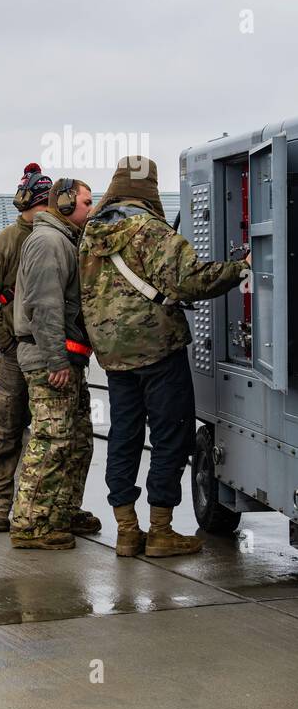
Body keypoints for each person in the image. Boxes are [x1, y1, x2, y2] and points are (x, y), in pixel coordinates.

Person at [79, 156, 250, 557]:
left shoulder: (91, 233)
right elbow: (190, 281)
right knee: (171, 437)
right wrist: (239, 269)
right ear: (149, 187)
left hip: (114, 357)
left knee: (123, 438)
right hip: (158, 351)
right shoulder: (150, 230)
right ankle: (161, 531)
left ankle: (126, 531)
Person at [11, 177, 99, 550]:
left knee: (76, 440)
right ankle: (31, 523)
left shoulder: (63, 240)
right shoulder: (49, 242)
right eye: (86, 202)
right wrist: (56, 359)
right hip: (51, 357)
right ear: (63, 205)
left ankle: (59, 511)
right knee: (51, 440)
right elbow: (43, 306)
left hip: (65, 355)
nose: (91, 209)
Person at [0, 164, 53, 532]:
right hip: (16, 354)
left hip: (48, 350)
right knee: (6, 430)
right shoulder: (1, 246)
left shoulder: (57, 239)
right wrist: (5, 343)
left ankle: (37, 507)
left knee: (50, 433)